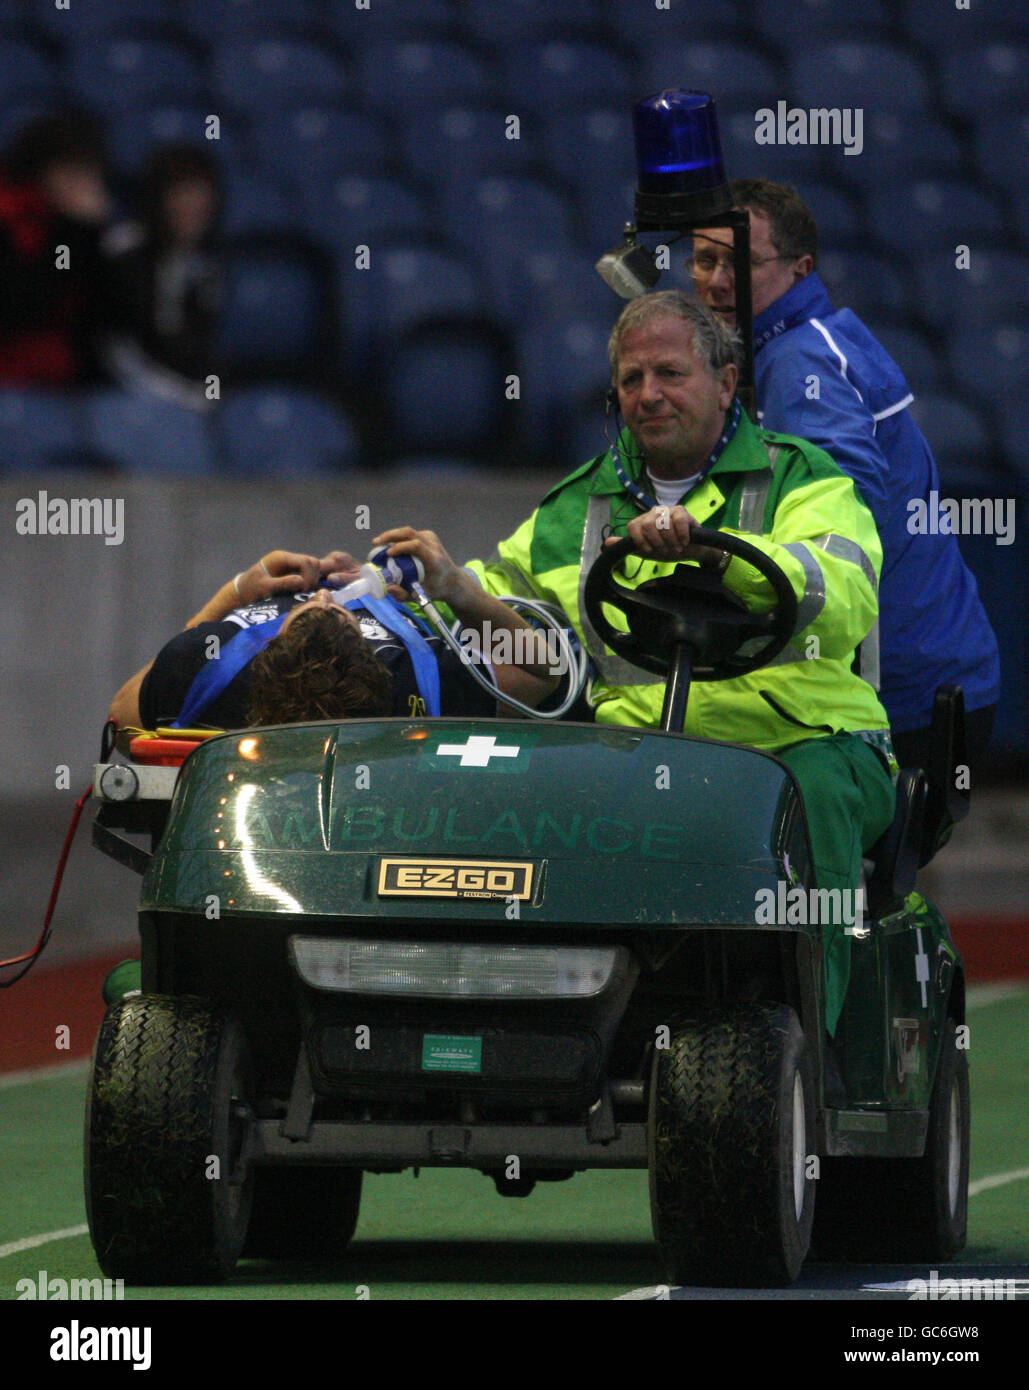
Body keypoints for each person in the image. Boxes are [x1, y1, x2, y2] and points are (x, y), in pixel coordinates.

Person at [454, 292, 895, 1036]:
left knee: (813, 799)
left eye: (669, 373)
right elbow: (507, 612)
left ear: (725, 384)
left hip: (804, 744)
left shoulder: (803, 477)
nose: (647, 395)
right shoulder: (575, 508)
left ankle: (805, 1046)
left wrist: (721, 558)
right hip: (637, 754)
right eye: (631, 380)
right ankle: (550, 1037)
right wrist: (429, 588)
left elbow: (842, 587)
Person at [688, 178, 1000, 787]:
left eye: (742, 263)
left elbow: (840, 515)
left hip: (904, 694)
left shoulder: (799, 362)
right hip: (945, 680)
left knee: (839, 876)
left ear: (801, 268)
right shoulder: (811, 339)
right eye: (705, 259)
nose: (718, 281)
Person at [108, 532, 558, 730]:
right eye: (339, 613)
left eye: (309, 610)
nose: (324, 596)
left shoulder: (208, 668)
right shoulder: (411, 684)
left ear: (271, 648)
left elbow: (122, 711)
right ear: (374, 659)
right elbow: (543, 673)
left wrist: (238, 591)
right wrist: (458, 589)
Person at [100, 143, 223, 410]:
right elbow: (115, 351)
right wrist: (183, 397)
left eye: (201, 196)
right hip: (130, 401)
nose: (193, 207)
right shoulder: (124, 256)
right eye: (181, 194)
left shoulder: (213, 262)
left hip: (194, 400)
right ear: (158, 200)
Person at [0, 113, 110, 384]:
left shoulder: (93, 231)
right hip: (14, 370)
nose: (80, 185)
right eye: (69, 171)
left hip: (70, 377)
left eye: (86, 172)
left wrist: (94, 235)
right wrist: (74, 231)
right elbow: (25, 310)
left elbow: (104, 318)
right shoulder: (11, 218)